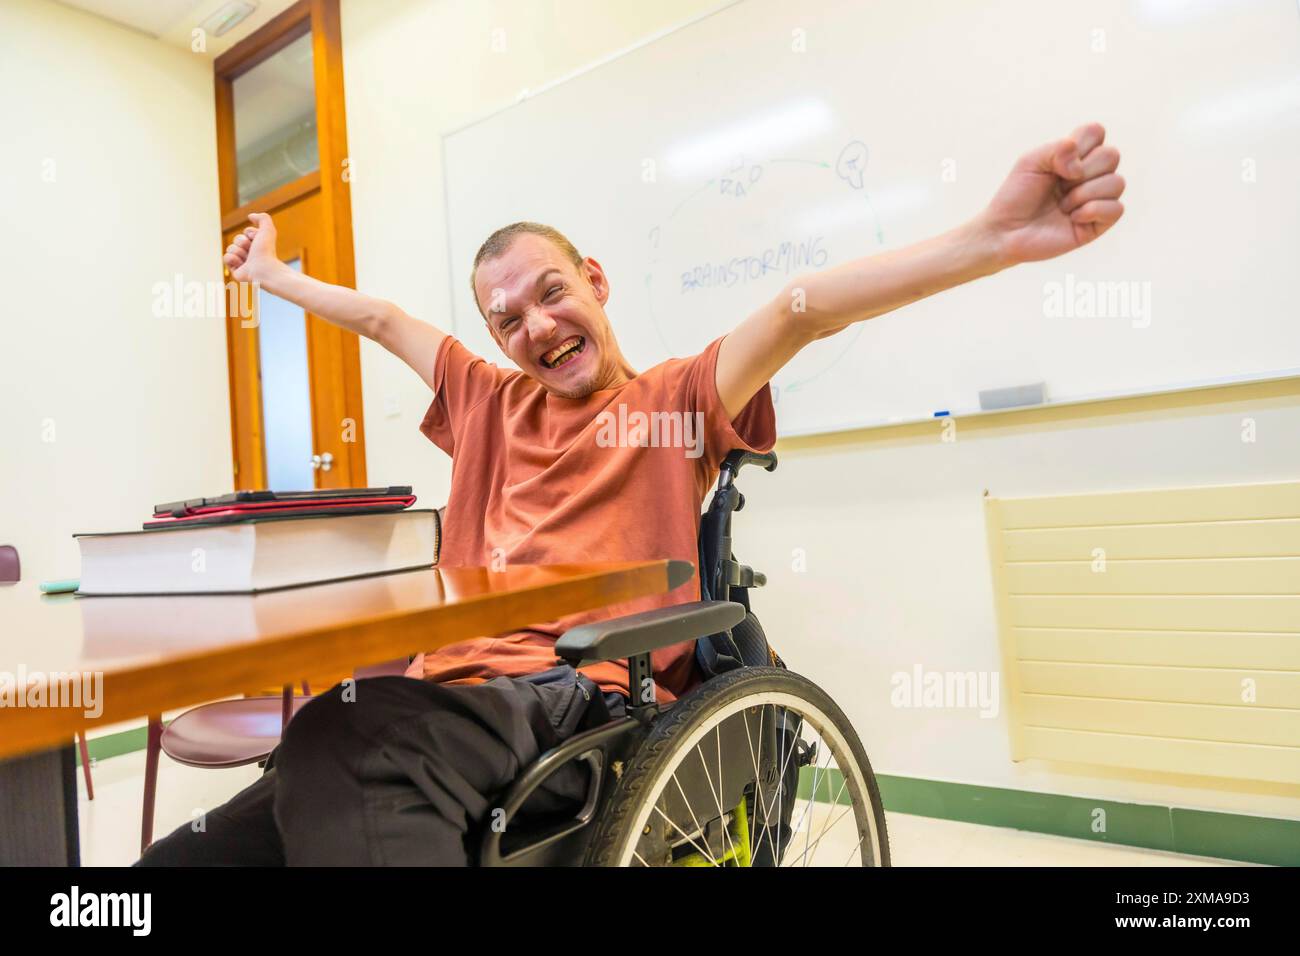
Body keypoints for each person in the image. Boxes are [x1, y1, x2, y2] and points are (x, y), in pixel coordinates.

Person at [138, 123, 1124, 865]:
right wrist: (272, 274)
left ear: (594, 280)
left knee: (341, 741)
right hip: (437, 700)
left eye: (549, 292)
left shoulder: (676, 399)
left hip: (564, 696)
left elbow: (800, 308)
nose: (533, 325)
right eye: (506, 318)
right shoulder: (484, 399)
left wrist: (993, 236)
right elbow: (379, 315)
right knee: (177, 858)